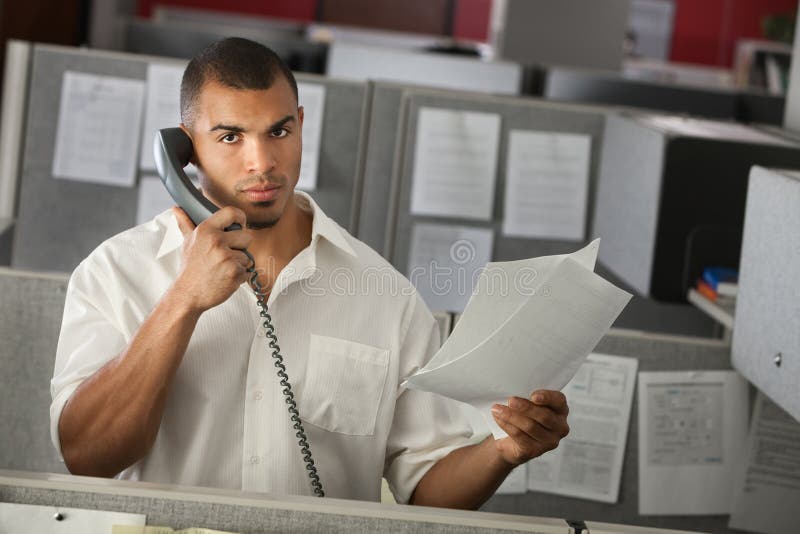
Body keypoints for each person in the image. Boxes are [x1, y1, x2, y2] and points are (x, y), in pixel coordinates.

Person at [50, 37, 569, 508]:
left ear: (301, 122)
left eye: (279, 131)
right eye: (230, 137)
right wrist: (182, 300)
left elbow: (427, 491)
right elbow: (87, 457)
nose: (262, 163)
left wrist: (504, 451)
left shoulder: (384, 295)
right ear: (185, 150)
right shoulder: (116, 273)